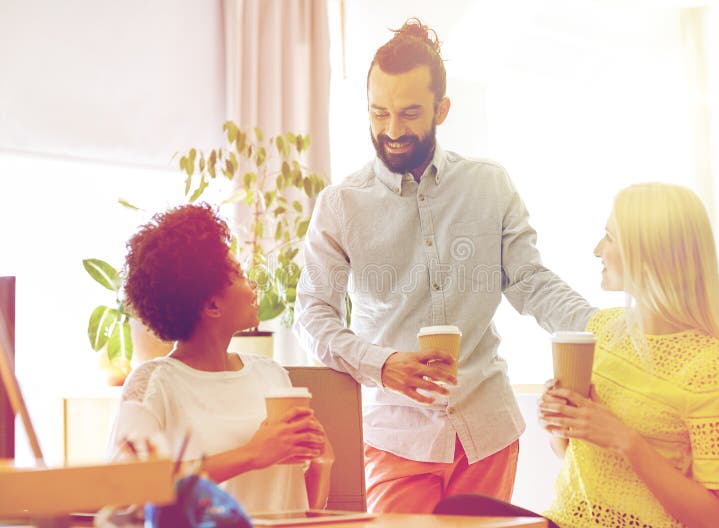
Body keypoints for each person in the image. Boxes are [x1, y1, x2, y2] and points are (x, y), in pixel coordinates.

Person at [293, 18, 595, 513]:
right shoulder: (341, 205)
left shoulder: (489, 185)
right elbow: (313, 316)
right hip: (398, 436)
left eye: (410, 114)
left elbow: (531, 282)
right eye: (379, 112)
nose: (392, 131)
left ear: (442, 109)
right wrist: (382, 365)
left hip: (488, 433)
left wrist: (605, 329)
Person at [437, 182, 719, 527]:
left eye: (610, 237)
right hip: (563, 521)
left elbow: (717, 519)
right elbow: (569, 453)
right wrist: (564, 420)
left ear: (649, 252)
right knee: (453, 512)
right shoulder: (603, 330)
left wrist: (625, 440)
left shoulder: (714, 368)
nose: (597, 249)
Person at [108, 203, 333, 513]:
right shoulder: (154, 384)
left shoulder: (271, 375)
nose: (252, 286)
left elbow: (304, 509)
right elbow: (126, 489)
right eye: (239, 275)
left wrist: (322, 461)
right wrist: (253, 453)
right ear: (212, 305)